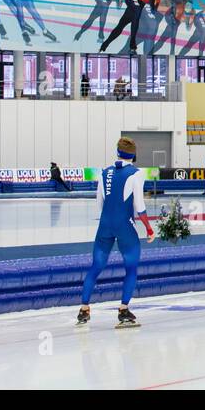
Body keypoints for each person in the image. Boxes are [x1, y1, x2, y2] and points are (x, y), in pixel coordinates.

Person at [76, 137, 155, 328]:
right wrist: (149, 228)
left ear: (117, 152)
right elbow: (139, 206)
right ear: (133, 155)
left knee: (96, 266)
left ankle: (84, 309)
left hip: (105, 225)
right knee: (131, 267)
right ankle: (123, 310)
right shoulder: (136, 174)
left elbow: (99, 203)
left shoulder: (104, 173)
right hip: (125, 226)